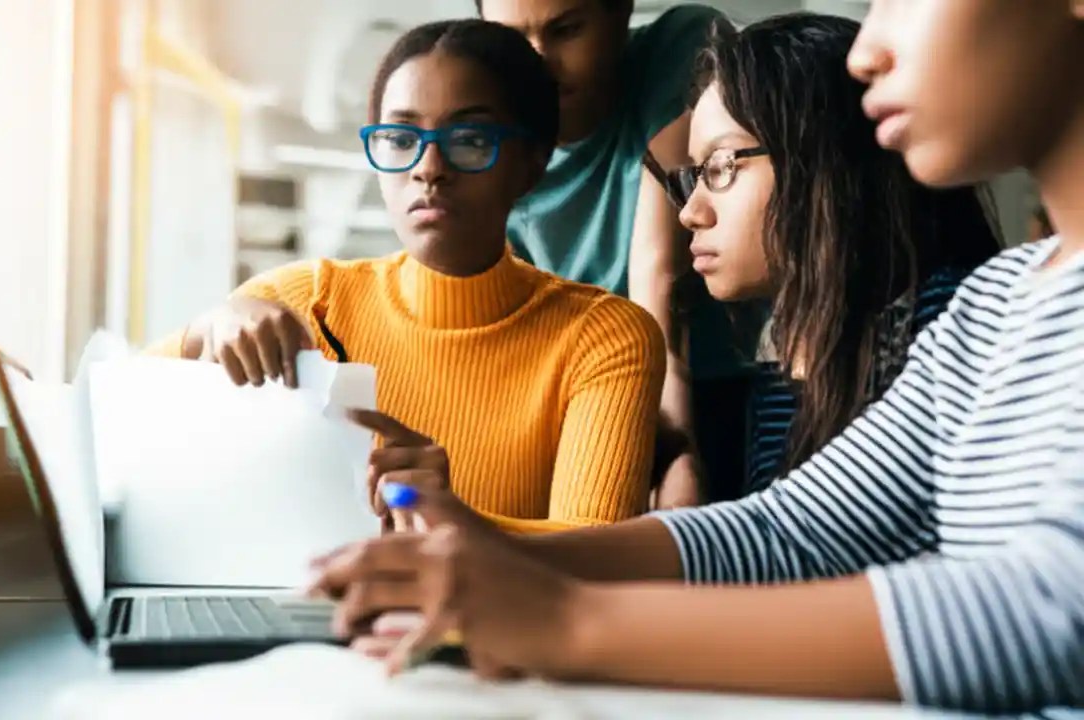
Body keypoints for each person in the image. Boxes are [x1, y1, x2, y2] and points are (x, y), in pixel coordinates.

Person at [310, 6, 1084, 714]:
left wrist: (565, 619)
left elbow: (1055, 609)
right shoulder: (996, 303)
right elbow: (795, 530)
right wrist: (491, 545)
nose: (868, 48)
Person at [151, 20, 665, 533]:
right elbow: (111, 438)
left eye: (469, 139)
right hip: (297, 612)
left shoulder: (604, 337)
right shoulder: (301, 304)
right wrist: (209, 328)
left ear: (532, 163)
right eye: (399, 138)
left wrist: (457, 522)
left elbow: (599, 551)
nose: (429, 167)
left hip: (494, 617)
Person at [654, 16, 1000, 494]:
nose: (691, 212)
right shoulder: (785, 351)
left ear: (820, 162)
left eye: (721, 166)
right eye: (696, 175)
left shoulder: (950, 325)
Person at [474, 0, 738, 508]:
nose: (538, 61)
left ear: (622, 12)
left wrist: (678, 449)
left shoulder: (683, 44)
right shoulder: (489, 139)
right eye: (511, 40)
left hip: (708, 381)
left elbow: (659, 270)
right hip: (592, 405)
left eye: (567, 29)